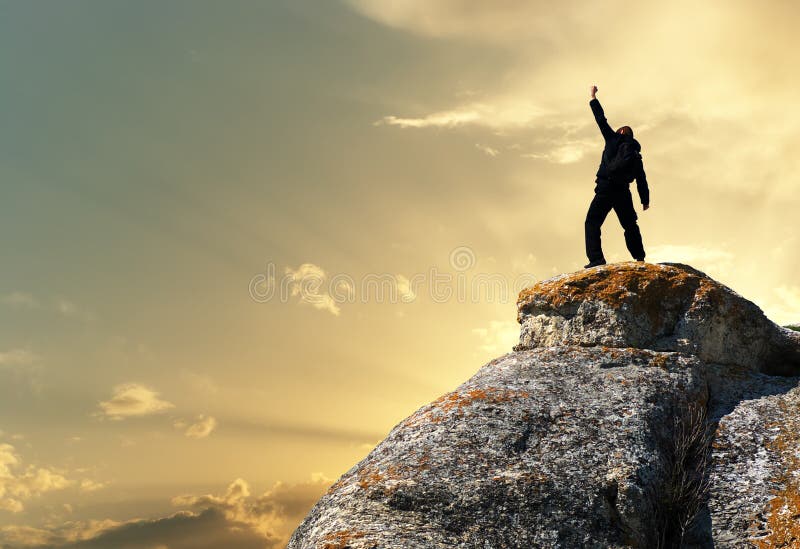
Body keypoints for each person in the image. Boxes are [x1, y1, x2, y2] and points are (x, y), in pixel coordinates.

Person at [584, 85, 650, 268]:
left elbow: (600, 119)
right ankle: (640, 258)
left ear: (621, 132)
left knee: (592, 223)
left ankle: (596, 259)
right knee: (630, 225)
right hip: (622, 192)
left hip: (605, 189)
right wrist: (645, 200)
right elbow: (641, 179)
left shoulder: (613, 139)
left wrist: (592, 97)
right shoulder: (636, 156)